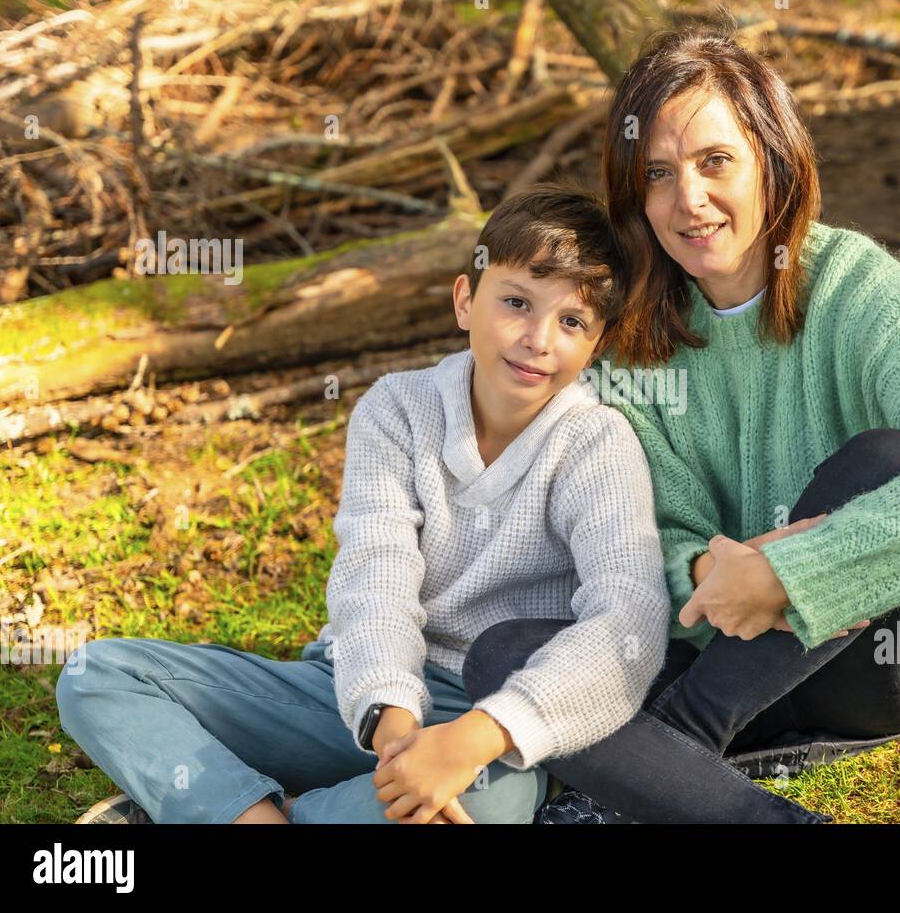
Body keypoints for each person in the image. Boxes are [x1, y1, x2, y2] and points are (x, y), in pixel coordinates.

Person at [462, 23, 900, 823]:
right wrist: (705, 574)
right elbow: (638, 533)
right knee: (504, 656)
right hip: (721, 657)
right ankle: (728, 789)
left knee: (886, 458)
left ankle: (666, 747)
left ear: (772, 155)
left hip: (879, 653)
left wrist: (793, 575)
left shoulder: (856, 288)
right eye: (658, 175)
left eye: (714, 162)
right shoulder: (629, 339)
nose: (688, 200)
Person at [56, 183, 670, 824]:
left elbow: (627, 621)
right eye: (516, 302)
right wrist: (393, 725)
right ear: (465, 299)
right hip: (352, 693)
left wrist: (471, 740)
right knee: (97, 674)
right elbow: (375, 581)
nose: (539, 339)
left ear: (597, 345)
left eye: (571, 322)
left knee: (495, 801)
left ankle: (232, 808)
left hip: (485, 718)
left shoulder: (597, 444)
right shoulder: (397, 410)